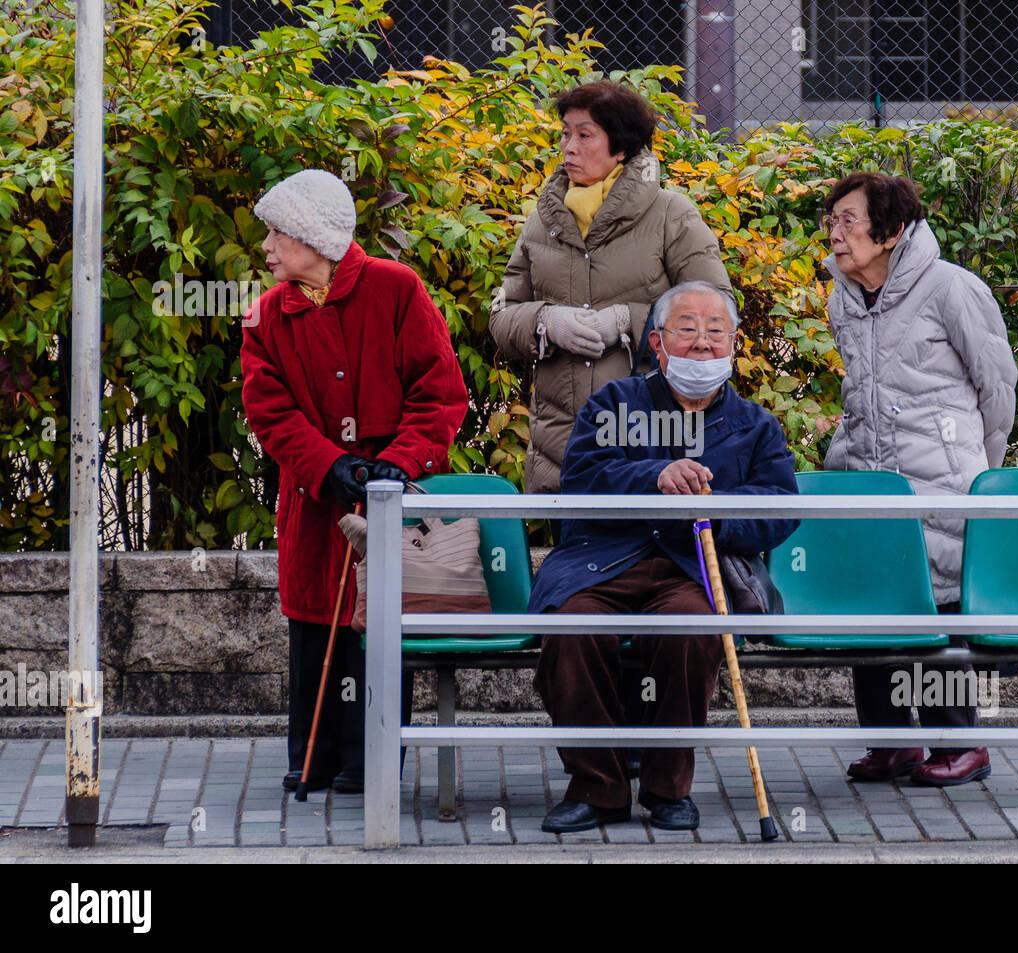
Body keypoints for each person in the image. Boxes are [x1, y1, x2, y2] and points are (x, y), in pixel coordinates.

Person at [529, 281, 798, 833]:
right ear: (657, 341)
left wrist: (716, 510)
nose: (702, 343)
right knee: (573, 630)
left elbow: (780, 507)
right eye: (687, 329)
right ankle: (597, 788)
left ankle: (666, 787)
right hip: (601, 561)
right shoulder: (615, 404)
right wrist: (654, 476)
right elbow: (579, 481)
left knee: (692, 628)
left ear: (732, 344)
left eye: (715, 331)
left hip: (692, 566)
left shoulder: (754, 424)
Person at [241, 169, 468, 794]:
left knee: (378, 623)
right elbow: (268, 408)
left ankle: (369, 761)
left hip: (389, 496)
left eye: (276, 234)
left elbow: (439, 390)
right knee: (315, 623)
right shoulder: (266, 313)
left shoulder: (395, 288)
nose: (266, 248)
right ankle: (311, 758)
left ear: (312, 238)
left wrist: (400, 462)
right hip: (315, 501)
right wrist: (327, 466)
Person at [819, 172, 1017, 787]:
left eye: (849, 220)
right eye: (833, 220)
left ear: (892, 230)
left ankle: (962, 743)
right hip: (871, 474)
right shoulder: (842, 298)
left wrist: (972, 468)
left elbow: (998, 385)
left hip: (946, 475)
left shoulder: (951, 287)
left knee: (943, 598)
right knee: (874, 600)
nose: (836, 231)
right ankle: (892, 742)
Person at [489, 80, 731, 495]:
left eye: (585, 135)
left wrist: (628, 322)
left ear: (620, 148)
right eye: (565, 132)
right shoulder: (541, 220)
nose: (569, 146)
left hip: (650, 448)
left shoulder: (671, 214)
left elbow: (718, 311)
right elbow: (502, 313)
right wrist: (545, 322)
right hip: (560, 453)